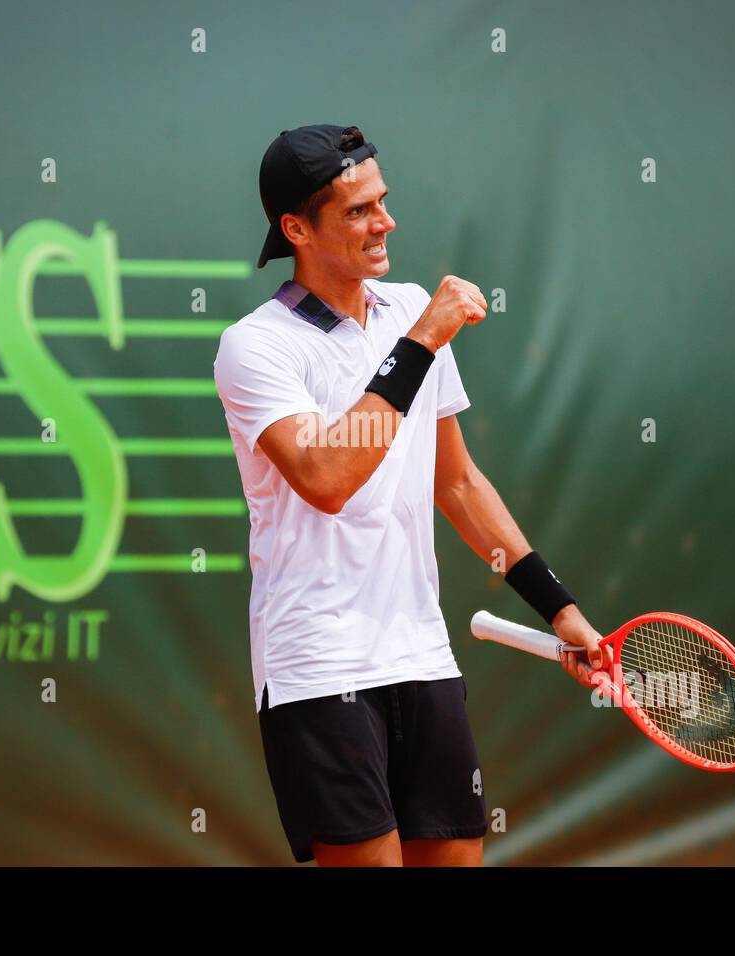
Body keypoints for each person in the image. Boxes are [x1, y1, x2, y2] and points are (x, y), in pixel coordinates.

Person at [213, 124, 611, 867]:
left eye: (383, 202)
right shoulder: (255, 346)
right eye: (359, 211)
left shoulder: (405, 313)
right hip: (316, 664)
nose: (385, 222)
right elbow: (327, 480)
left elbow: (455, 482)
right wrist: (421, 343)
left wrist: (561, 609)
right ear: (296, 229)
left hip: (421, 654)